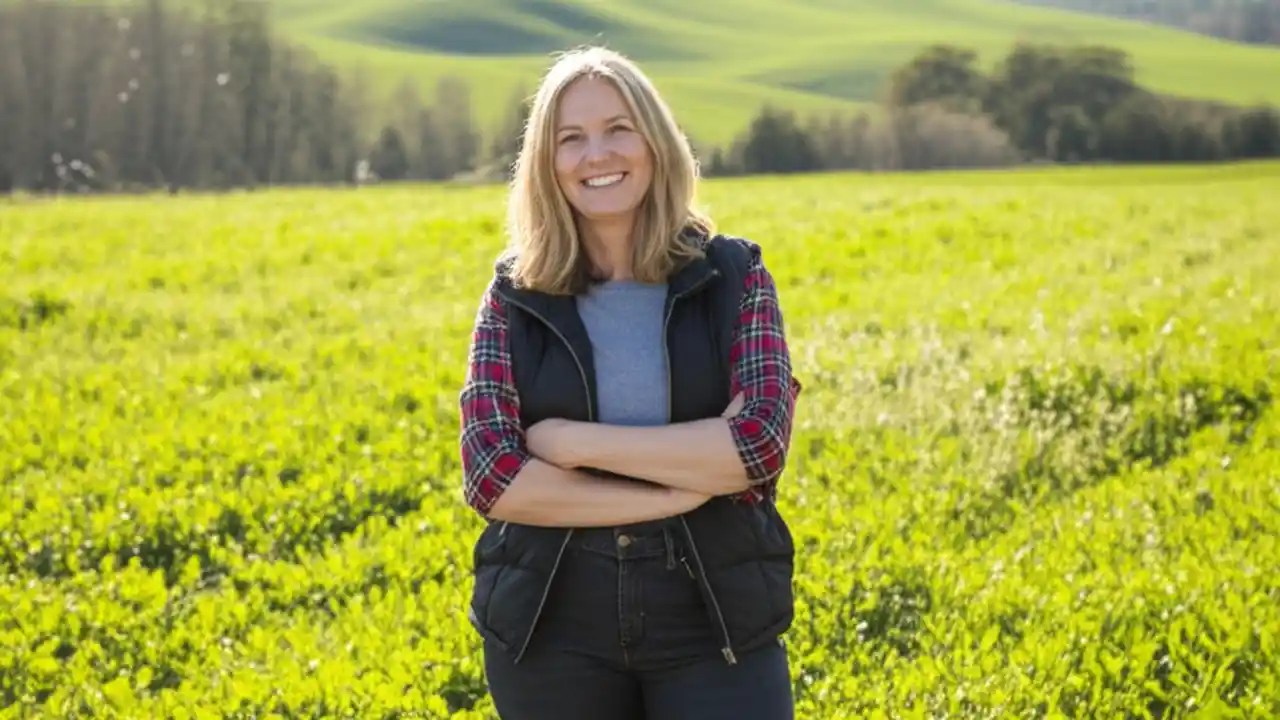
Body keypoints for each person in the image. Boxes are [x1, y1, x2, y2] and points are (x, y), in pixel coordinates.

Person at [458, 45, 803, 720]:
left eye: (619, 128)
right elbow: (492, 477)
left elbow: (759, 444)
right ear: (546, 164)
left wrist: (568, 441)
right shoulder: (514, 296)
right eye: (571, 138)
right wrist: (688, 482)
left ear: (655, 141)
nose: (598, 155)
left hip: (715, 618)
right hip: (552, 626)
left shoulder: (734, 275)